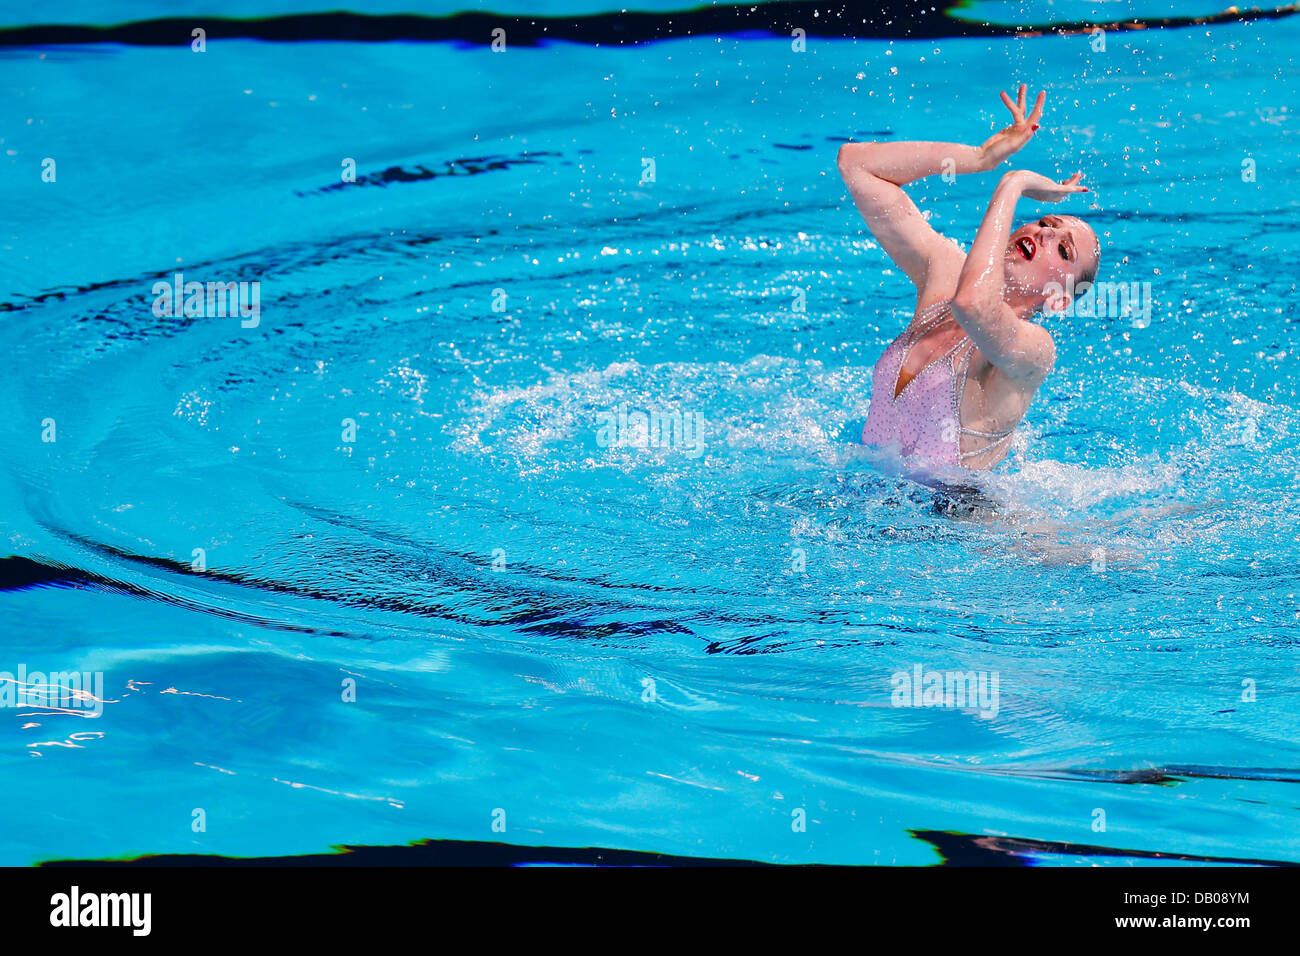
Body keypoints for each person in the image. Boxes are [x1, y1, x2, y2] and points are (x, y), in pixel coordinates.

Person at [837, 85, 1100, 475]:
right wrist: (981, 158)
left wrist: (1014, 182)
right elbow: (855, 165)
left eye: (1064, 251)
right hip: (869, 502)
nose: (1046, 233)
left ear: (1059, 299)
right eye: (1046, 222)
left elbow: (974, 304)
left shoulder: (1034, 352)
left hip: (964, 527)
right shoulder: (946, 276)